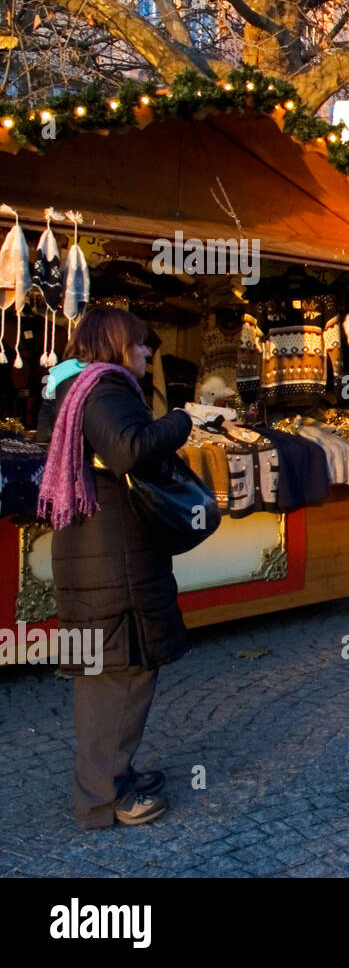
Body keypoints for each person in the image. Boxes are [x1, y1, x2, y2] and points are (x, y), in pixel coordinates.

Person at [36, 307, 194, 828]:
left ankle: (114, 774)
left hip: (98, 552)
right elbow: (129, 451)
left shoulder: (71, 387)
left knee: (110, 673)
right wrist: (183, 419)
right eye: (141, 344)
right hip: (114, 559)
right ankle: (104, 798)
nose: (149, 352)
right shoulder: (105, 389)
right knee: (121, 674)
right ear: (117, 345)